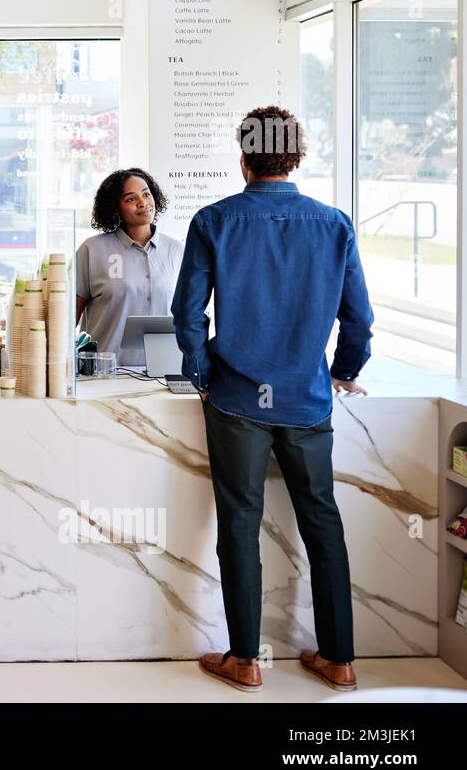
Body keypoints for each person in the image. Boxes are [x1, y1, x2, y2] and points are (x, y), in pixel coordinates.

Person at [171, 106, 374, 694]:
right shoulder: (334, 225)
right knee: (323, 523)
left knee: (239, 522)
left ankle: (246, 660)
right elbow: (358, 319)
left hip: (235, 398)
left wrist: (201, 372)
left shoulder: (214, 221)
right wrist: (342, 372)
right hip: (307, 400)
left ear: (243, 158)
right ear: (297, 157)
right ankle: (339, 659)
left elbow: (188, 315)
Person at [75, 168, 183, 366]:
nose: (143, 203)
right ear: (115, 208)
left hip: (163, 374)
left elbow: (187, 316)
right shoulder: (92, 250)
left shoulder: (176, 250)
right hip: (103, 373)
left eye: (146, 194)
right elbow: (68, 317)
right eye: (131, 199)